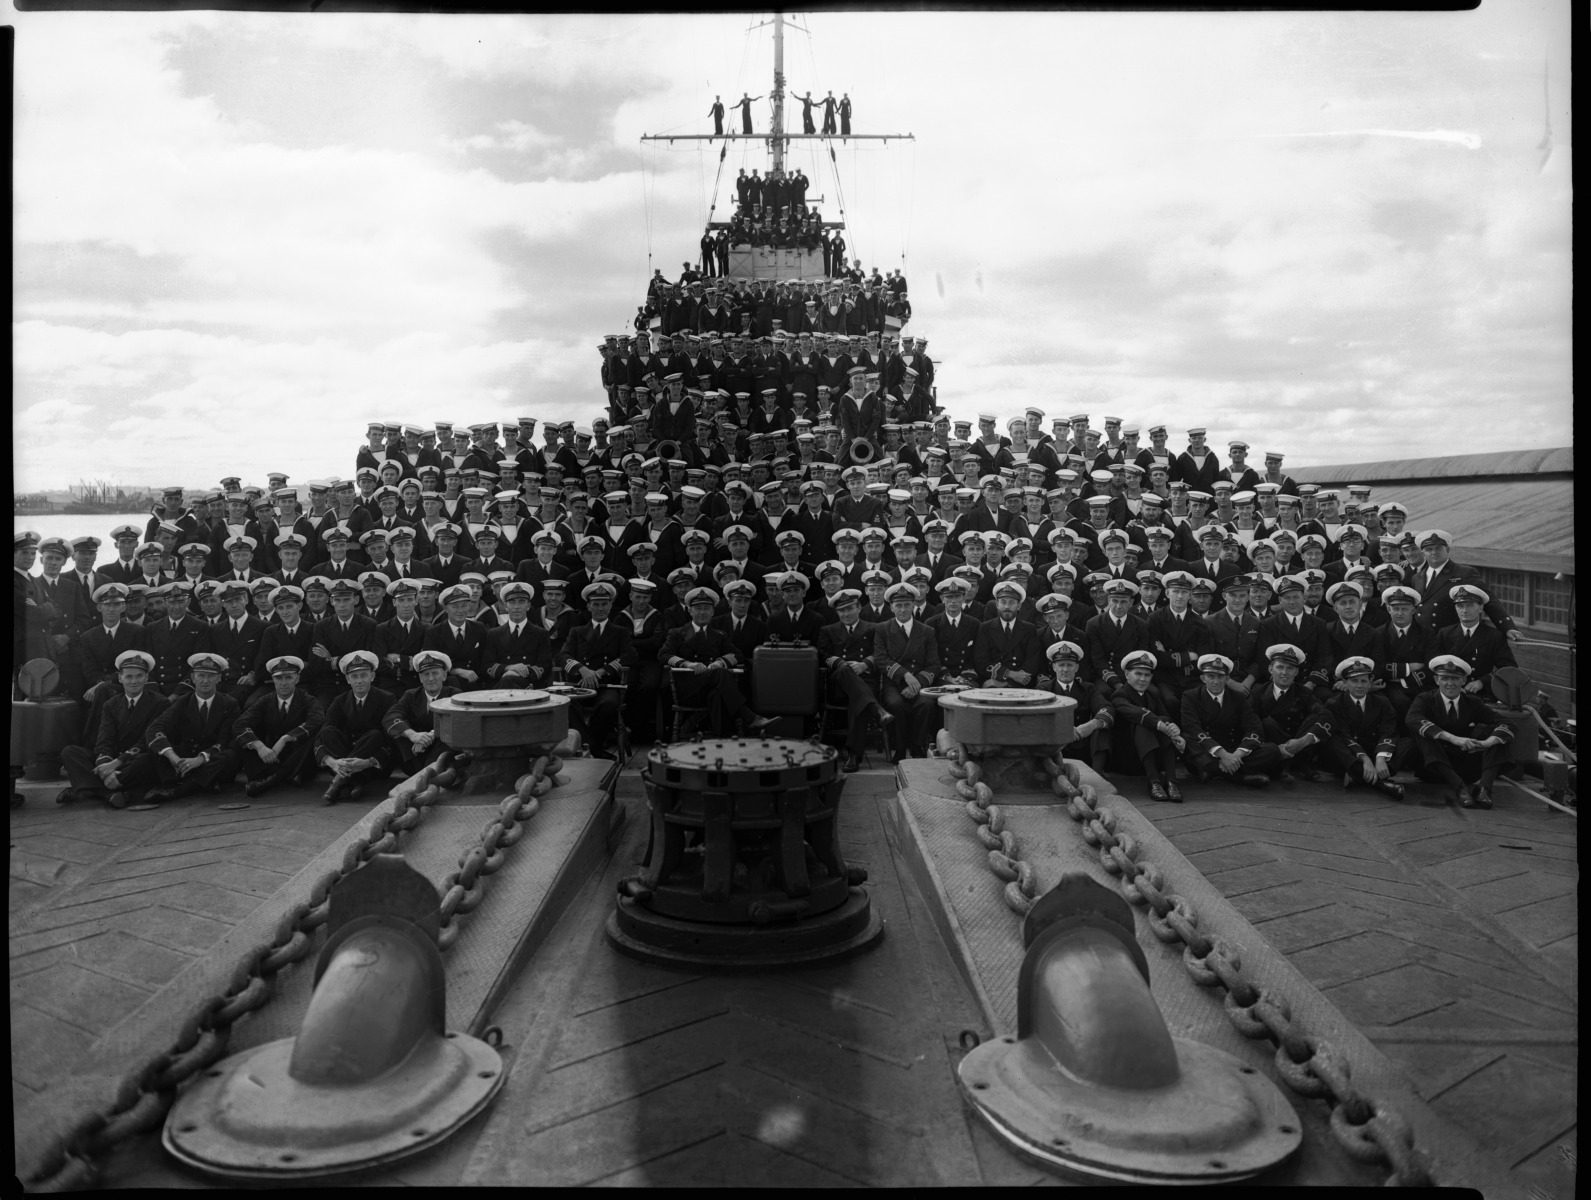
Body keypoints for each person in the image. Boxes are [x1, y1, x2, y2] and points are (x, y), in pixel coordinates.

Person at [56, 649, 167, 808]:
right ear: (120, 678)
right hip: (113, 759)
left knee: (145, 761)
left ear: (147, 678)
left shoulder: (160, 702)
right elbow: (105, 739)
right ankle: (109, 794)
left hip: (135, 759)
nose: (134, 681)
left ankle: (87, 788)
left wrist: (116, 763)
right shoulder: (111, 704)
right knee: (70, 752)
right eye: (128, 676)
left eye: (139, 676)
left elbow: (148, 740)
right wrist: (106, 764)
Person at [659, 587, 777, 736]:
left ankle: (720, 739)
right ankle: (750, 717)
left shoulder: (719, 635)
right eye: (698, 608)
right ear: (690, 611)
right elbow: (664, 654)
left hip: (712, 687)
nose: (702, 612)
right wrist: (688, 664)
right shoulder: (677, 633)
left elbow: (737, 655)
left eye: (707, 609)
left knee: (718, 694)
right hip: (689, 689)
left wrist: (720, 662)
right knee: (720, 674)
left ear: (713, 612)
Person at [1405, 655, 1515, 809]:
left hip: (1464, 766)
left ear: (1464, 680)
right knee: (1424, 733)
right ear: (1436, 680)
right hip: (1435, 768)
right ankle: (1460, 789)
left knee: (1498, 733)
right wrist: (1452, 738)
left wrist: (1487, 743)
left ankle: (1484, 789)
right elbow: (1412, 719)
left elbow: (1508, 723)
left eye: (1455, 679)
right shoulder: (1425, 699)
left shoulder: (1472, 702)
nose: (1450, 683)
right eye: (1445, 678)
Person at [1299, 656, 1414, 799]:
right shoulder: (1334, 703)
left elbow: (1389, 731)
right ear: (1345, 683)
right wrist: (1364, 759)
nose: (1359, 685)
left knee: (1408, 743)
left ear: (1370, 683)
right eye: (1354, 681)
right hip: (1350, 756)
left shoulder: (1382, 702)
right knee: (1333, 740)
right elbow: (1344, 735)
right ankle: (1380, 782)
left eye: (1364, 681)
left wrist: (1380, 757)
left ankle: (1360, 776)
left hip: (1374, 751)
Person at [138, 652, 244, 803]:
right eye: (201, 675)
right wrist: (174, 758)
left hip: (211, 759)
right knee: (154, 746)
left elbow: (224, 740)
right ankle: (203, 782)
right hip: (185, 757)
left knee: (230, 754)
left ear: (219, 678)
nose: (205, 681)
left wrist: (200, 759)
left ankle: (179, 789)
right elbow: (155, 728)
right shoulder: (183, 701)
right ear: (193, 678)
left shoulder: (229, 703)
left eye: (211, 676)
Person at [1180, 653, 1284, 787]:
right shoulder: (1191, 696)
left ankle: (1215, 771)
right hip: (1208, 750)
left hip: (1233, 749)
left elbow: (1254, 729)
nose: (1216, 681)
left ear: (1227, 678)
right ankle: (1238, 777)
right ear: (1203, 678)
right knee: (1187, 740)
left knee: (1273, 750)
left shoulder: (1238, 698)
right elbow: (1192, 727)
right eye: (1211, 676)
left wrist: (1235, 756)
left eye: (1220, 677)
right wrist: (1222, 755)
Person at [816, 589, 892, 771]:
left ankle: (853, 756)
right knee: (845, 670)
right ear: (837, 612)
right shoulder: (828, 630)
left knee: (859, 702)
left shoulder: (873, 628)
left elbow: (881, 653)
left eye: (849, 608)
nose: (846, 614)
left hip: (866, 681)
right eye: (841, 610)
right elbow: (822, 655)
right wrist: (841, 663)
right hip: (838, 685)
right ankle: (877, 709)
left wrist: (865, 664)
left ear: (859, 608)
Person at [561, 581, 636, 758]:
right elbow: (562, 656)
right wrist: (583, 670)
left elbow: (630, 655)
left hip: (607, 685)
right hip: (580, 684)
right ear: (588, 606)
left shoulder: (620, 632)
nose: (600, 608)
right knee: (567, 704)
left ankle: (590, 746)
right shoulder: (577, 631)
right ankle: (594, 749)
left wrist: (602, 671)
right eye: (596, 604)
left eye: (604, 604)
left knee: (608, 705)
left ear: (610, 606)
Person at [234, 655, 326, 797]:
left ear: (297, 679)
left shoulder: (307, 700)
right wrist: (259, 746)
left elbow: (317, 719)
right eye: (279, 678)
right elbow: (240, 724)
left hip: (299, 759)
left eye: (289, 677)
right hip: (271, 756)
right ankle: (287, 775)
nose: (284, 683)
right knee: (245, 737)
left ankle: (272, 780)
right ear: (272, 679)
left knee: (314, 735)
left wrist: (286, 738)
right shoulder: (264, 700)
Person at [314, 649, 397, 805]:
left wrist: (367, 762)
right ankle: (356, 782)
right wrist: (332, 762)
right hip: (342, 759)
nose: (359, 681)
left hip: (374, 763)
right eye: (354, 676)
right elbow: (322, 735)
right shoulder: (339, 700)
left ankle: (337, 783)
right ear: (347, 679)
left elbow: (390, 740)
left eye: (363, 675)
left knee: (375, 734)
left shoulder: (387, 699)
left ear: (372, 676)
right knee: (328, 731)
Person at [874, 581, 939, 759]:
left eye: (907, 605)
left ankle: (917, 746)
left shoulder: (927, 631)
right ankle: (900, 748)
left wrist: (916, 683)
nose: (903, 609)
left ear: (913, 606)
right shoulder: (882, 629)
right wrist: (905, 675)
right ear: (891, 607)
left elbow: (934, 664)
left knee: (926, 704)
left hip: (919, 682)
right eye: (898, 605)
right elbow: (880, 658)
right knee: (896, 704)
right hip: (894, 683)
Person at [1110, 650, 1186, 801]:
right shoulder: (1119, 695)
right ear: (1127, 674)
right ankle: (1154, 783)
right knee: (1144, 724)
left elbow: (1164, 715)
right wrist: (1161, 724)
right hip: (1129, 760)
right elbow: (1137, 713)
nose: (1143, 679)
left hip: (1153, 758)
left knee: (1163, 723)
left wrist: (1173, 729)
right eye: (1138, 674)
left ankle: (1172, 782)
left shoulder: (1152, 694)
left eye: (1147, 675)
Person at [382, 650, 460, 773]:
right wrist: (412, 735)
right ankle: (424, 775)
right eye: (426, 674)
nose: (431, 678)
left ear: (444, 676)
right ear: (420, 678)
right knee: (398, 730)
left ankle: (425, 775)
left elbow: (458, 720)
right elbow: (391, 716)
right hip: (416, 754)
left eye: (435, 673)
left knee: (450, 734)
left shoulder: (454, 695)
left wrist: (430, 736)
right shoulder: (411, 695)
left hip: (440, 753)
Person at [1045, 640, 1113, 774]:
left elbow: (1107, 708)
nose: (1065, 669)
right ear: (1054, 667)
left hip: (1082, 743)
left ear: (1076, 667)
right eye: (1061, 665)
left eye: (1069, 665)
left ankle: (1097, 774)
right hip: (1056, 747)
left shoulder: (1088, 688)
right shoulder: (1044, 689)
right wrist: (1064, 729)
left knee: (1101, 729)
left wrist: (1092, 724)